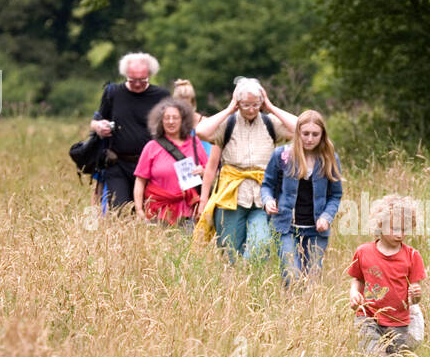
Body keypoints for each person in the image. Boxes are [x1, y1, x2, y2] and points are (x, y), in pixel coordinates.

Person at [193, 78, 298, 261]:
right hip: (230, 195)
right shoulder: (228, 123)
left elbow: (300, 127)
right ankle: (237, 285)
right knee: (231, 250)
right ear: (238, 103)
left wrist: (271, 107)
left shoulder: (270, 122)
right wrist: (230, 108)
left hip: (263, 194)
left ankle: (253, 275)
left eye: (255, 105)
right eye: (246, 105)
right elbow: (201, 131)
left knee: (261, 244)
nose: (251, 109)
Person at [261, 110, 343, 286]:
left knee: (312, 280)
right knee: (292, 275)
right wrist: (268, 200)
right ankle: (289, 309)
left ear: (322, 135)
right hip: (286, 227)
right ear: (297, 133)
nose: (310, 139)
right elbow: (267, 184)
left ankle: (306, 312)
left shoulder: (330, 159)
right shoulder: (282, 156)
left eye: (315, 134)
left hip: (316, 229)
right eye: (305, 134)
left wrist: (326, 217)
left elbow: (335, 195)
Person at [347, 194, 426, 357]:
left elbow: (415, 297)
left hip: (398, 322)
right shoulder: (363, 252)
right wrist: (354, 293)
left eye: (404, 229)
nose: (400, 234)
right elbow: (357, 278)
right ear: (380, 224)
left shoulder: (412, 256)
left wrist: (417, 294)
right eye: (395, 229)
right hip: (367, 317)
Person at [88, 52, 170, 213]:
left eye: (142, 80)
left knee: (149, 213)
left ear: (150, 75)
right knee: (120, 211)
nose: (138, 84)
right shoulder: (113, 93)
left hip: (151, 165)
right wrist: (99, 127)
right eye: (133, 80)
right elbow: (95, 121)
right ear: (126, 75)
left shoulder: (162, 96)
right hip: (118, 163)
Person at [133, 96, 208, 229]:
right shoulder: (152, 146)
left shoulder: (195, 143)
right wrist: (139, 210)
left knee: (187, 248)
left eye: (175, 118)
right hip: (157, 211)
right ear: (160, 121)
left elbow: (211, 171)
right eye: (167, 118)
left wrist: (203, 171)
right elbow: (140, 181)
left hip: (188, 211)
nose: (171, 121)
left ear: (183, 120)